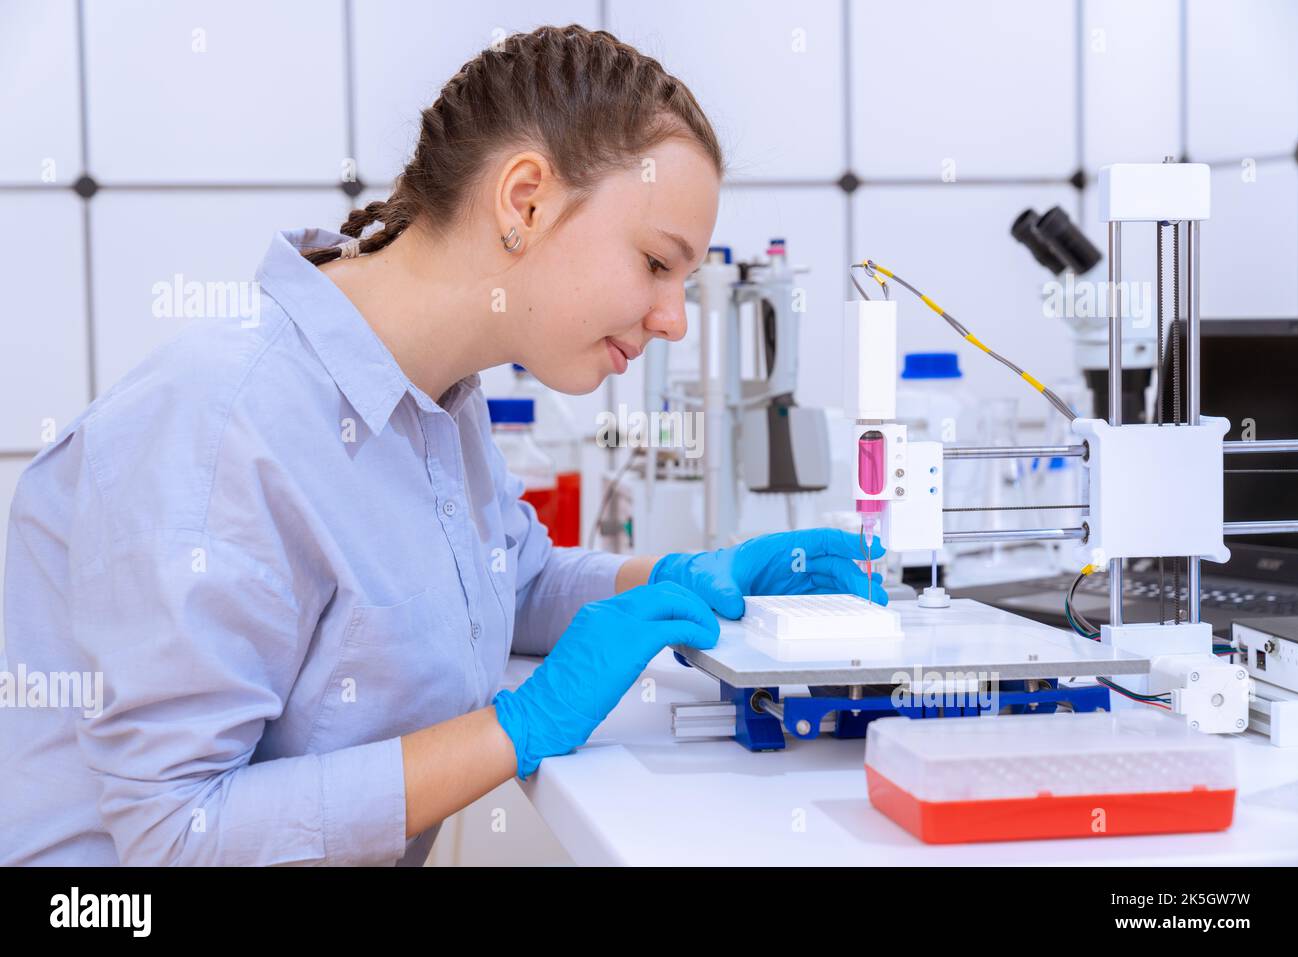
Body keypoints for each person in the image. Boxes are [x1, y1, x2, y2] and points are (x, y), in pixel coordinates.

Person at [0, 24, 885, 866]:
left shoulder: (436, 396)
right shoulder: (223, 420)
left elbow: (512, 581)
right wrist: (518, 726)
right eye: (657, 263)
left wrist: (689, 576)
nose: (674, 321)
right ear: (526, 200)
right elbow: (179, 831)